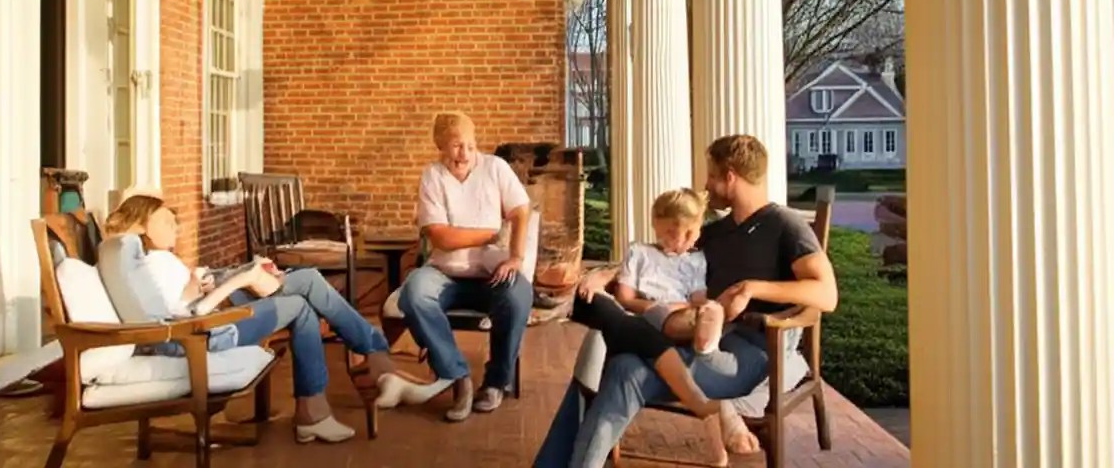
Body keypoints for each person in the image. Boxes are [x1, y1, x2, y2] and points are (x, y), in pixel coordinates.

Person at [533, 135, 839, 467]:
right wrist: (604, 275)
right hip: (695, 341)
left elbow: (827, 294)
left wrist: (752, 288)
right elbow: (658, 259)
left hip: (752, 353)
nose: (706, 184)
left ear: (731, 177)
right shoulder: (717, 231)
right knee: (620, 366)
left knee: (618, 361)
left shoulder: (784, 226)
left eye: (711, 175)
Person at [104, 194, 446, 444]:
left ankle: (317, 408)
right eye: (165, 220)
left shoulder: (154, 258)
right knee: (303, 298)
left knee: (305, 286)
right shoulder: (152, 264)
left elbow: (182, 302)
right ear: (142, 223)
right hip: (210, 330)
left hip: (215, 312)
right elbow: (186, 314)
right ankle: (368, 362)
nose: (175, 226)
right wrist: (224, 284)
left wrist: (217, 278)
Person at [396, 111, 535, 421]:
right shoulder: (432, 175)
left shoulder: (495, 168)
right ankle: (457, 377)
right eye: (457, 146)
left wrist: (515, 257)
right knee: (414, 293)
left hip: (490, 273)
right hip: (445, 272)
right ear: (440, 146)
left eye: (471, 146)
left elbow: (521, 209)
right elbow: (442, 238)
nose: (466, 154)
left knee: (518, 295)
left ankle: (496, 382)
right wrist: (490, 232)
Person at [566, 187, 727, 421]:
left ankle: (706, 342)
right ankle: (695, 393)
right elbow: (625, 299)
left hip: (678, 317)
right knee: (616, 313)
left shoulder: (695, 261)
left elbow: (697, 301)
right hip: (643, 315)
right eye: (662, 234)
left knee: (690, 317)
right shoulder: (640, 252)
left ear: (694, 230)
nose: (667, 240)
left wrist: (680, 309)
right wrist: (654, 308)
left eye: (675, 234)